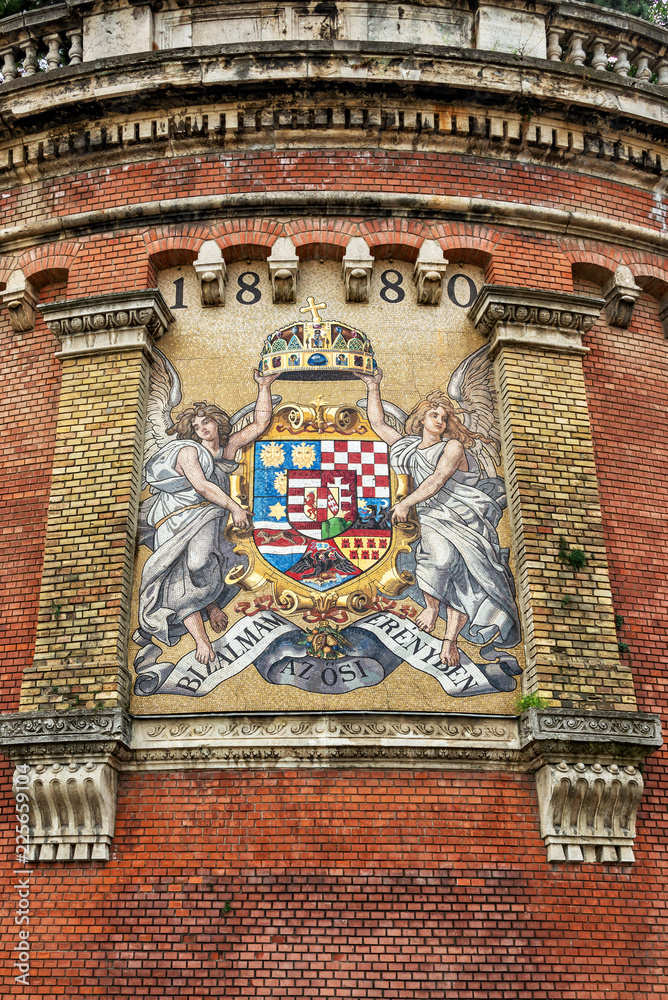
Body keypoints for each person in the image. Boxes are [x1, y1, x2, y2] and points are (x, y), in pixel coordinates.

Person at [356, 368, 520, 667]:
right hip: (432, 514)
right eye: (435, 416)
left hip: (464, 513)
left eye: (444, 418)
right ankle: (432, 608)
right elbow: (378, 423)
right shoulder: (407, 446)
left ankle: (450, 638)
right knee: (442, 561)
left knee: (466, 575)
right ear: (422, 419)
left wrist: (406, 502)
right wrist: (373, 385)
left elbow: (437, 480)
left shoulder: (453, 446)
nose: (440, 422)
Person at [136, 369, 280, 666]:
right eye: (197, 424)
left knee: (199, 563)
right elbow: (202, 486)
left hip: (206, 516)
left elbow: (261, 423)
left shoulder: (227, 448)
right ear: (190, 430)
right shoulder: (188, 451)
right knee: (178, 577)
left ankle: (211, 601)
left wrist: (264, 386)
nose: (202, 427)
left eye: (207, 421)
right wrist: (235, 508)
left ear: (217, 422)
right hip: (173, 519)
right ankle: (202, 639)